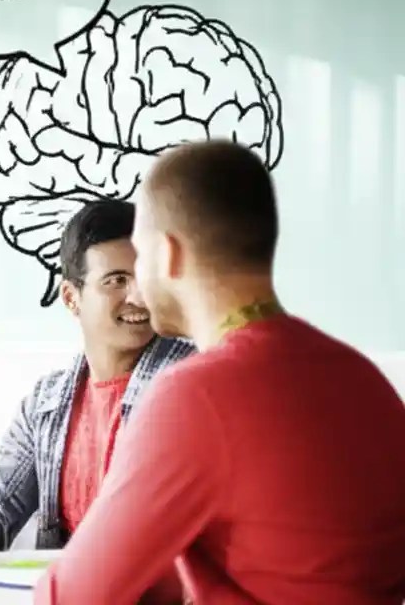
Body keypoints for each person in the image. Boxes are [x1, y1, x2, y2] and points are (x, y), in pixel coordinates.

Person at [36, 140, 405, 603]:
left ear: (168, 255)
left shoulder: (195, 397)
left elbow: (73, 595)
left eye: (141, 257)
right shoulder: (361, 378)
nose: (138, 287)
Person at [0, 200, 194, 592]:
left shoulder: (193, 382)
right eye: (116, 280)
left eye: (145, 277)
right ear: (71, 298)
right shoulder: (47, 402)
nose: (139, 297)